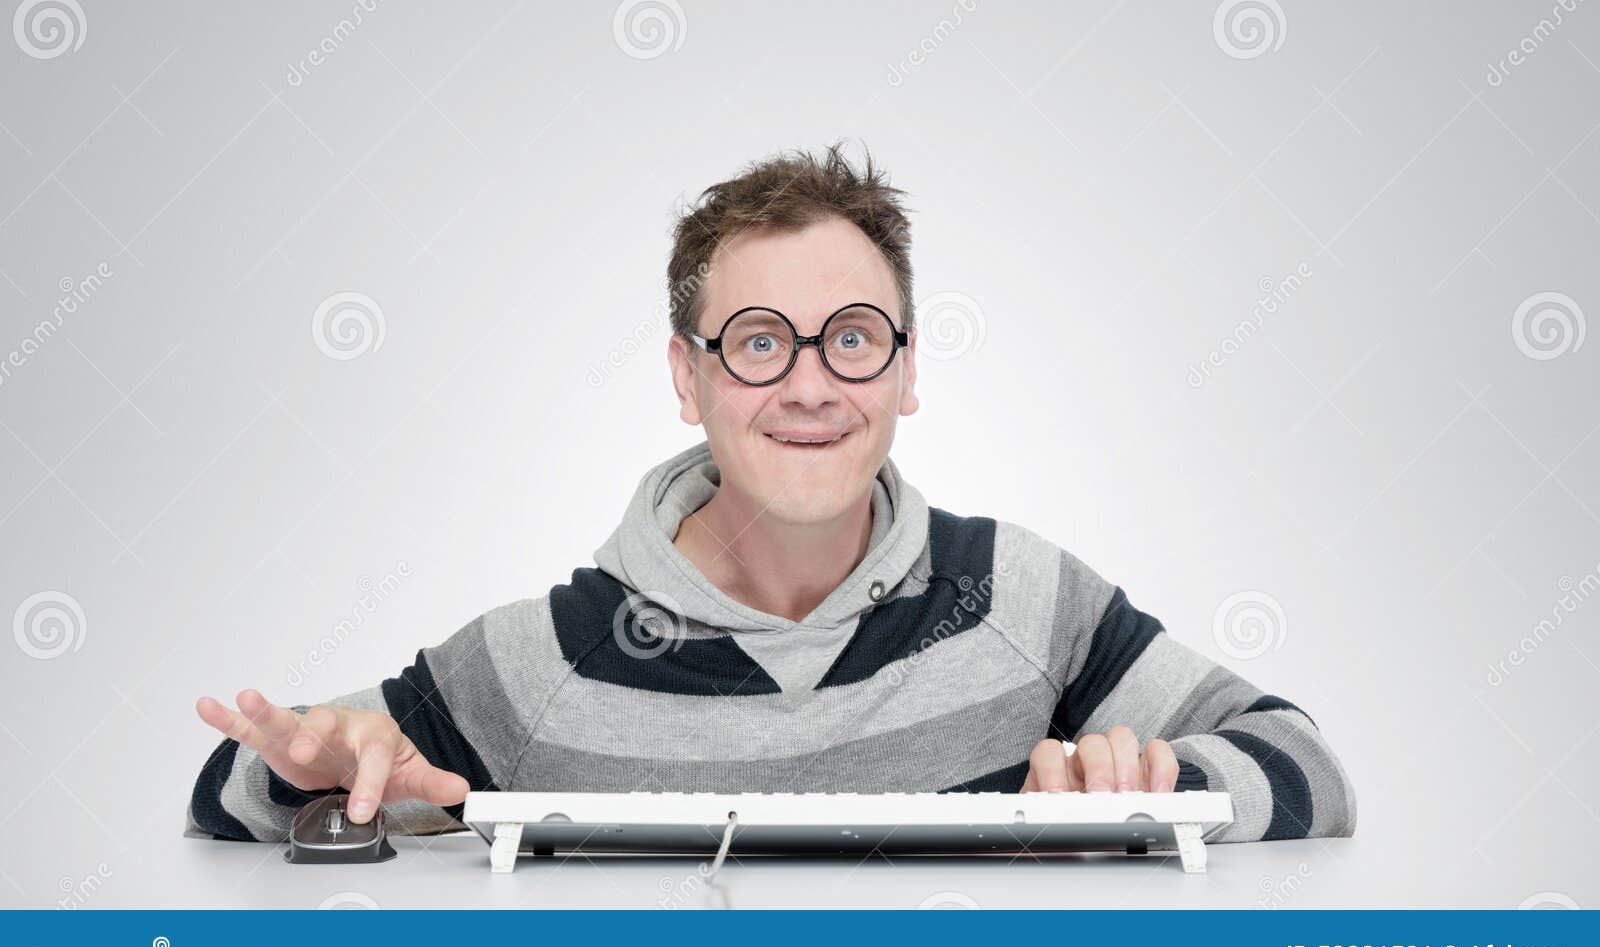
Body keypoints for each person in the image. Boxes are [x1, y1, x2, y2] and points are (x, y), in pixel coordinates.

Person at [187, 143, 1356, 845]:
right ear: (687, 378)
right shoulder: (538, 664)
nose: (807, 385)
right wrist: (319, 768)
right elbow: (245, 788)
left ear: (904, 371)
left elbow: (1307, 762)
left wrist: (1162, 786)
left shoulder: (1022, 599)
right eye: (756, 341)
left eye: (851, 338)